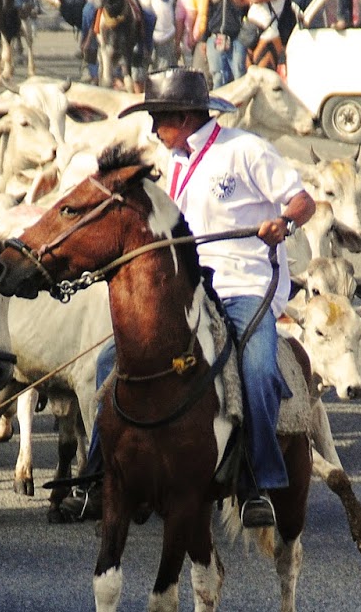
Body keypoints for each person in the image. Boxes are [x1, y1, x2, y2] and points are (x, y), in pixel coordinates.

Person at [61, 70, 314, 528]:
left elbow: (302, 201)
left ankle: (258, 482)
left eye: (158, 118)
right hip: (189, 287)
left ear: (183, 117)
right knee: (110, 362)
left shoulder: (245, 149)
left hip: (244, 285)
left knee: (258, 368)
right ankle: (100, 475)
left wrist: (285, 223)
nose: (153, 129)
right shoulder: (172, 160)